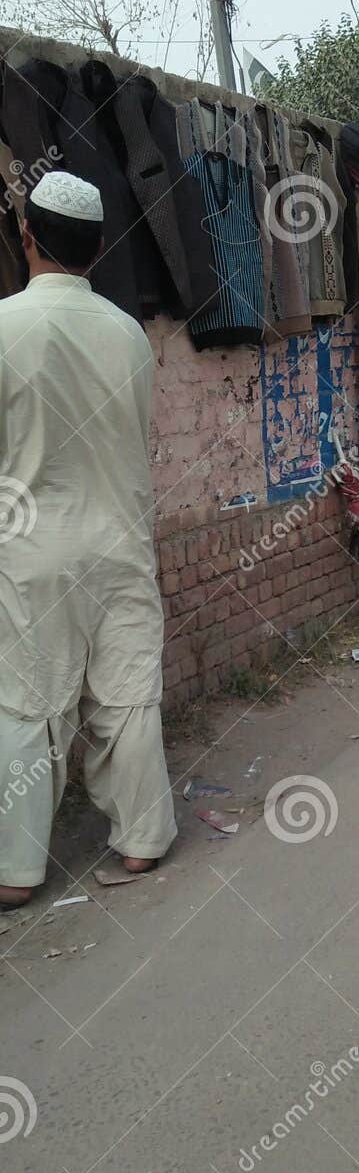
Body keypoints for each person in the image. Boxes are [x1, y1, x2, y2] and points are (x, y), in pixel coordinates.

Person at [0, 170, 176, 904]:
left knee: (28, 704)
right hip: (121, 545)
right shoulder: (129, 333)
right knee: (129, 694)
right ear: (99, 248)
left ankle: (15, 872)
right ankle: (141, 842)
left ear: (27, 236)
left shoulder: (6, 325)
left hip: (33, 551)